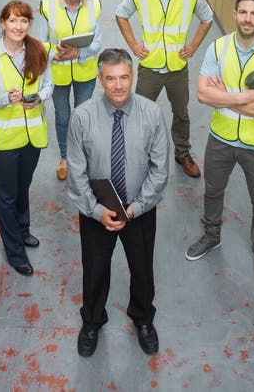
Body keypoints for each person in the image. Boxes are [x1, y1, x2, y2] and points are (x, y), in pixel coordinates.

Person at [67, 48, 169, 358]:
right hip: (97, 211)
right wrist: (97, 212)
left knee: (142, 269)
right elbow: (76, 172)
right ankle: (93, 321)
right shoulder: (82, 116)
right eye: (110, 78)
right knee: (95, 269)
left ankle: (143, 319)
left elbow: (160, 169)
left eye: (124, 77)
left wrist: (136, 207)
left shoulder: (152, 113)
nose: (119, 85)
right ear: (100, 80)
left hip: (139, 210)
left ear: (133, 76)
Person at [185, 0, 254, 287]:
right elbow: (203, 94)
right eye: (243, 12)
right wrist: (241, 97)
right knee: (213, 191)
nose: (248, 19)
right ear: (234, 13)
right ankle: (211, 235)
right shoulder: (218, 48)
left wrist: (225, 98)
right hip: (221, 139)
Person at [115, 0, 213, 178]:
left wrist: (193, 46)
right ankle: (139, 155)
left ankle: (183, 153)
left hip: (178, 68)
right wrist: (133, 45)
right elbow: (121, 14)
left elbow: (207, 18)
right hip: (150, 68)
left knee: (181, 113)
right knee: (140, 114)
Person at [0, 0, 53, 277]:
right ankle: (15, 252)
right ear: (2, 23)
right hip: (6, 140)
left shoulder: (39, 50)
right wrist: (4, 99)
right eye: (12, 20)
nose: (18, 26)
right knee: (7, 196)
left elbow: (48, 85)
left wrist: (39, 99)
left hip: (33, 135)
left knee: (23, 187)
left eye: (23, 21)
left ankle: (23, 230)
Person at [38, 0, 102, 182]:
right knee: (63, 117)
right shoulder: (48, 7)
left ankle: (80, 158)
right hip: (58, 73)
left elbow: (98, 43)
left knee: (82, 116)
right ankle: (65, 158)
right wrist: (54, 55)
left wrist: (78, 53)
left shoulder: (94, 6)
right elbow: (40, 44)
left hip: (86, 72)